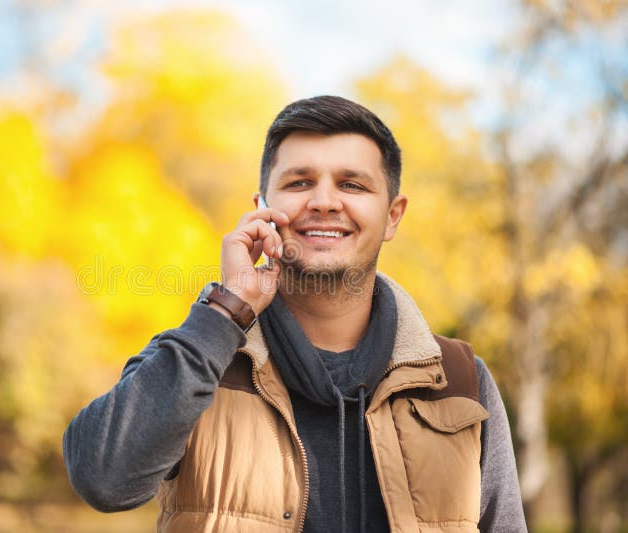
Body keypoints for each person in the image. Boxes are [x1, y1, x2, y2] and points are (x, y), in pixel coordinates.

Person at [63, 95, 527, 533]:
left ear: (392, 216)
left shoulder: (463, 382)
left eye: (352, 184)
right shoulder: (199, 356)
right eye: (299, 182)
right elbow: (103, 479)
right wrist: (226, 309)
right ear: (262, 209)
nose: (324, 202)